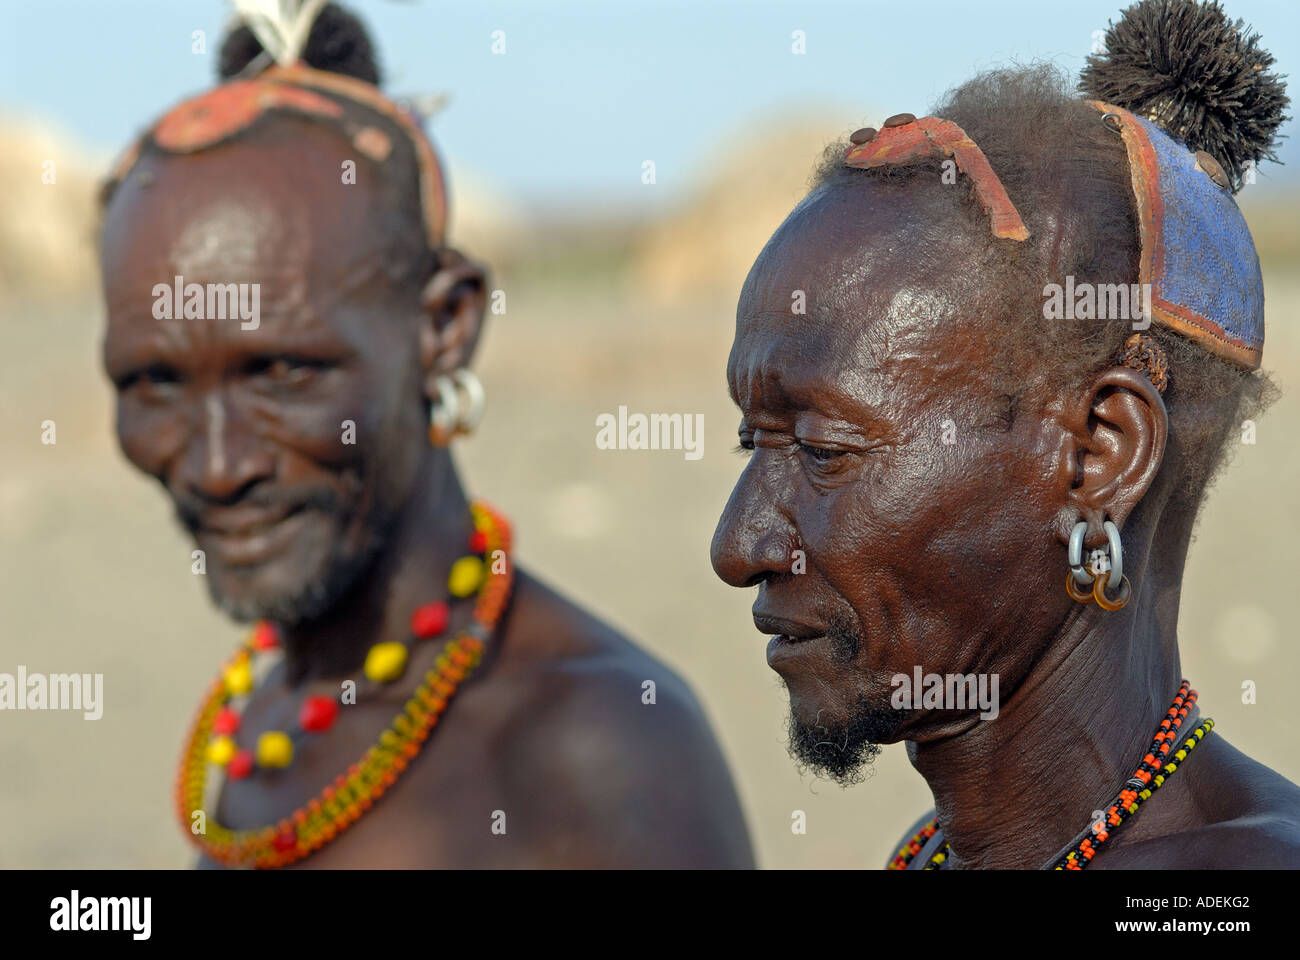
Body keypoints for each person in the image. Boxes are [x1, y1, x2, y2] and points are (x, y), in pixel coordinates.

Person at [99, 2, 753, 869]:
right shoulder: (270, 714)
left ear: (443, 326)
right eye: (154, 383)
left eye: (283, 374)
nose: (217, 467)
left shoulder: (596, 753)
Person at [710, 0, 1300, 868]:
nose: (738, 545)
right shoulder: (938, 854)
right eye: (752, 443)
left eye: (826, 452)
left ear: (1102, 453)